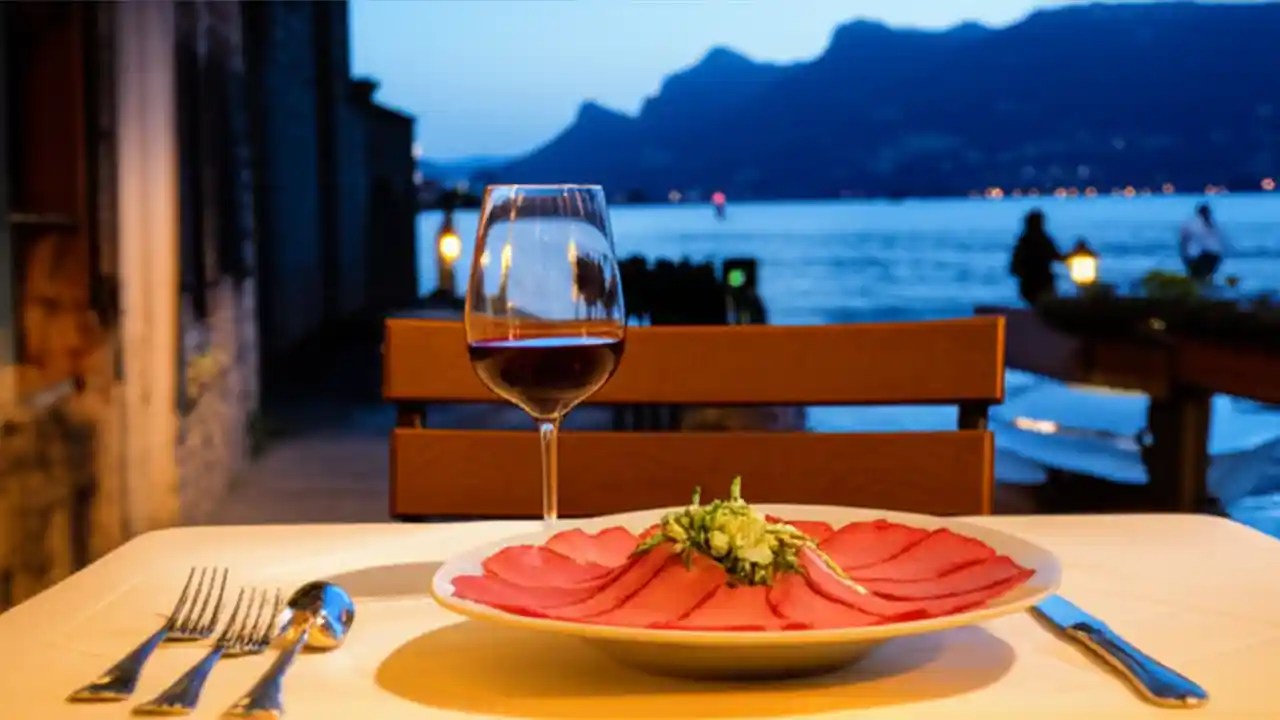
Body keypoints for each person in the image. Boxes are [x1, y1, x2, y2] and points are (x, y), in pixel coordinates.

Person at [1009, 209, 1064, 305]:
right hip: (1040, 282)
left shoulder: (1024, 241)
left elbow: (1014, 266)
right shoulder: (1041, 240)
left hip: (1030, 284)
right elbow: (1056, 256)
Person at [1180, 203, 1226, 281]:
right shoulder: (1213, 224)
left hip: (1203, 255)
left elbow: (1184, 241)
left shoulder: (1193, 224)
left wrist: (1184, 255)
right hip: (1208, 255)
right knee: (1204, 276)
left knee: (1199, 277)